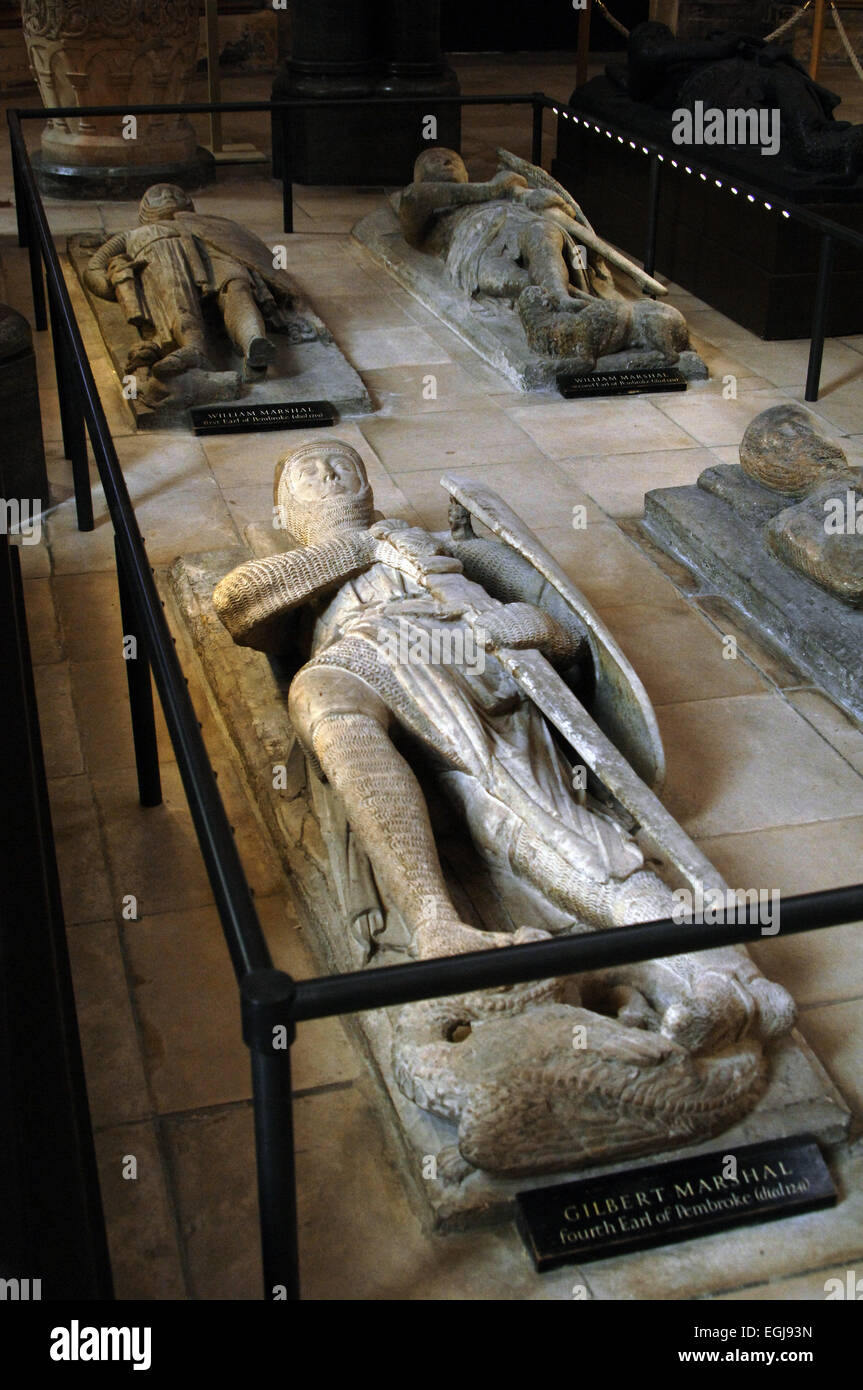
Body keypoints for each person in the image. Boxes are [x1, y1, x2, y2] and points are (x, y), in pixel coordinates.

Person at [213, 440, 794, 1053]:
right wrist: (367, 545)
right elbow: (236, 604)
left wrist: (531, 627)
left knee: (546, 830)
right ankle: (435, 921)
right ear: (287, 509)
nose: (328, 472)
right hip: (366, 654)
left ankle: (714, 976)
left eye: (343, 464)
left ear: (368, 484)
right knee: (322, 696)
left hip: (470, 659)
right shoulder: (302, 574)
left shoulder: (456, 552)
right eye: (309, 471)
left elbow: (567, 627)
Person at [84, 183, 308, 382]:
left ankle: (254, 342)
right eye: (159, 195)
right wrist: (118, 282)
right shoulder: (133, 234)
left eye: (175, 193)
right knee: (176, 297)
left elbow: (244, 247)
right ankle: (194, 349)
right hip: (166, 262)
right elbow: (95, 267)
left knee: (237, 285)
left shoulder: (210, 225)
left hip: (211, 256)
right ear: (144, 208)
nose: (168, 196)